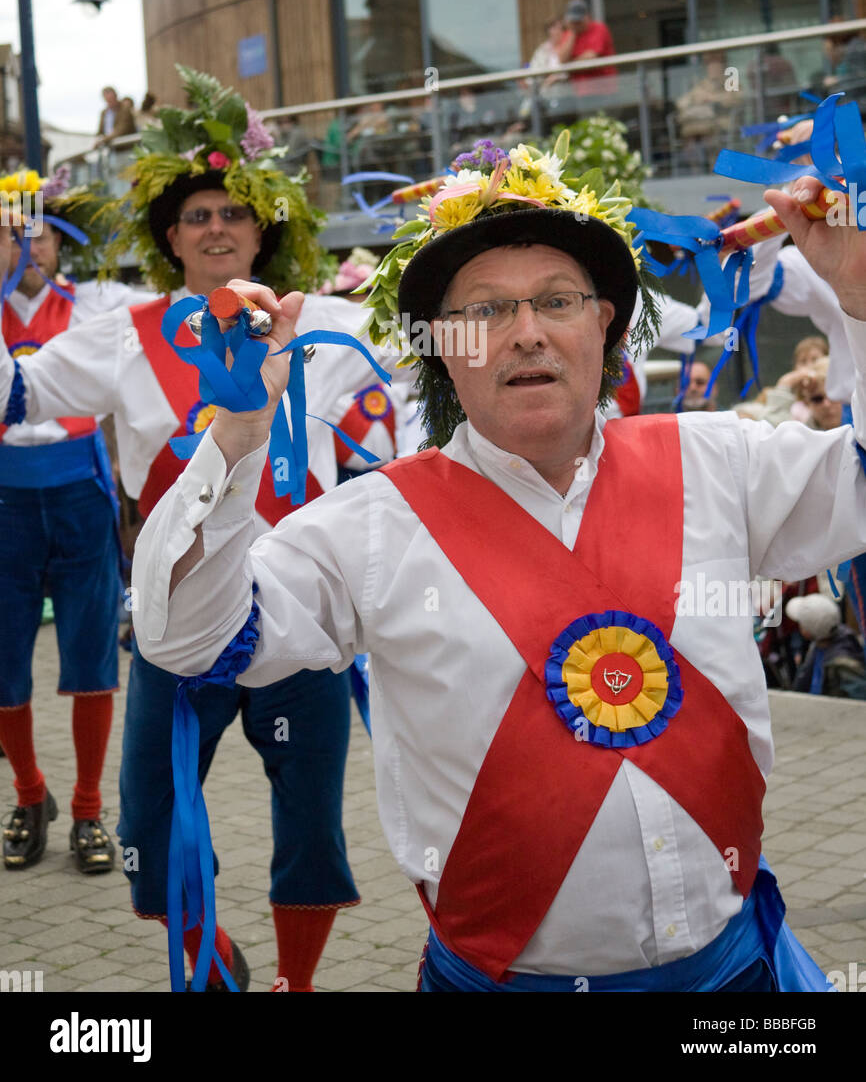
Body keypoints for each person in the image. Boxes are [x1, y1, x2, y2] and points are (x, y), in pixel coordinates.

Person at [132, 134, 866, 992]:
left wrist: (858, 296)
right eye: (485, 311)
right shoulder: (373, 526)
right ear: (440, 347)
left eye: (557, 300)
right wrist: (238, 432)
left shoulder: (722, 461)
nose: (526, 334)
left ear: (606, 325)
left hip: (739, 984)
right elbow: (183, 638)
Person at [0, 69, 405, 992]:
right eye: (195, 217)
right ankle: (204, 962)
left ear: (266, 230)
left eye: (232, 212)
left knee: (310, 834)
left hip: (305, 636)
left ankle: (295, 986)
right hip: (180, 632)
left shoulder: (333, 326)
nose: (216, 227)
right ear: (169, 238)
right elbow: (12, 395)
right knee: (145, 832)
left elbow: (445, 361)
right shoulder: (122, 335)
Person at [0, 167, 151, 874]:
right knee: (5, 667)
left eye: (41, 233)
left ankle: (90, 808)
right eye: (12, 232)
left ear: (61, 243)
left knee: (92, 658)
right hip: (5, 504)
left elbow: (171, 312)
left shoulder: (97, 306)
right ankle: (30, 795)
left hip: (80, 497)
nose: (29, 246)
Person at [555, 0, 617, 97]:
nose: (576, 24)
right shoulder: (569, 34)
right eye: (573, 21)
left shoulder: (599, 29)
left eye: (578, 21)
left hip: (604, 89)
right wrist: (573, 34)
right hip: (581, 92)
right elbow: (562, 60)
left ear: (587, 17)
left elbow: (590, 57)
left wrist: (570, 65)